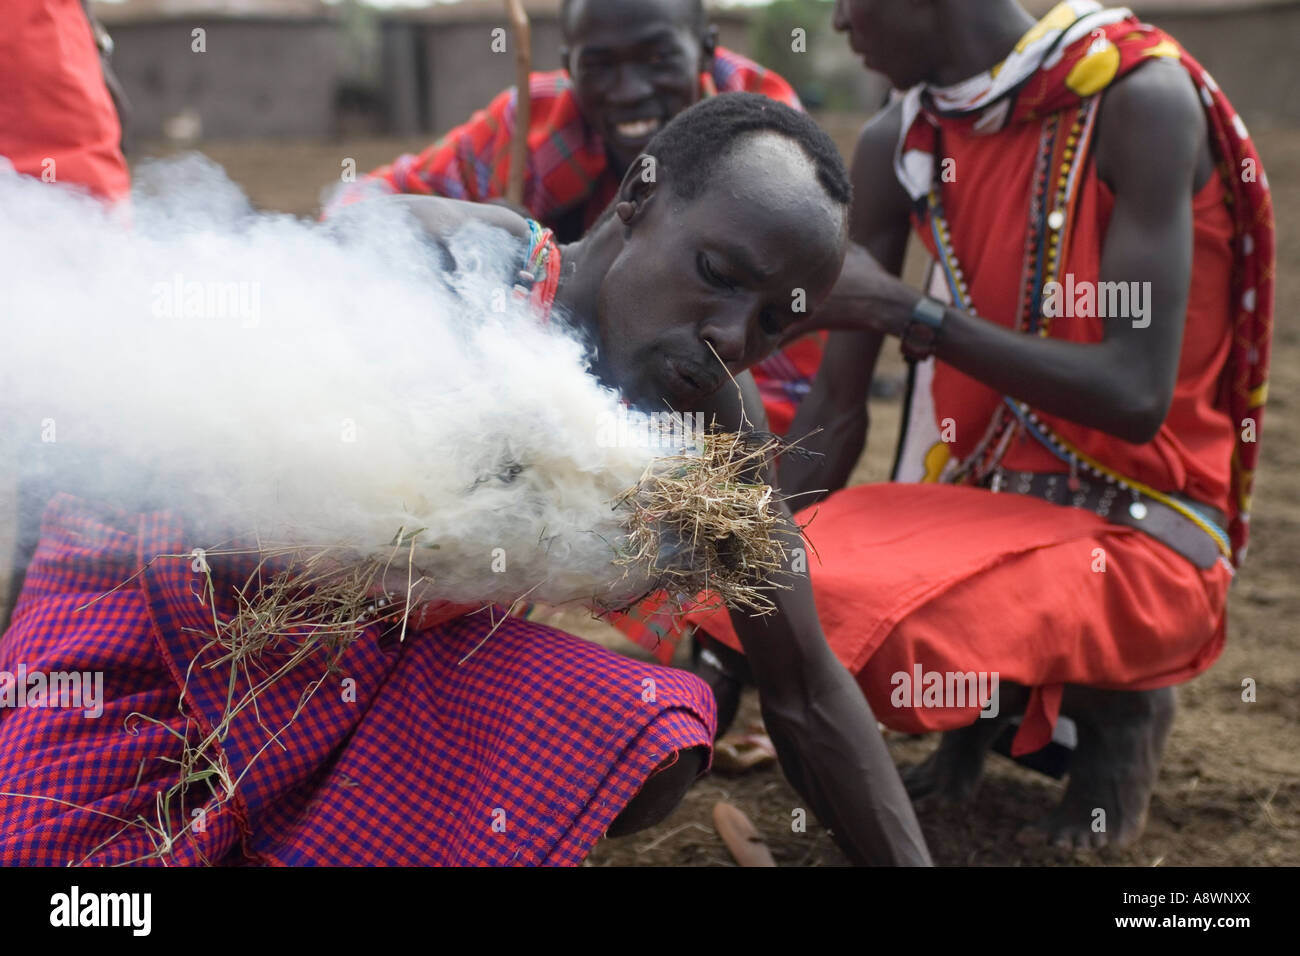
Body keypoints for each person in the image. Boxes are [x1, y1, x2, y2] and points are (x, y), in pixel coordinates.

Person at [0, 94, 931, 866]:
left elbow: (805, 685)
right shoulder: (449, 264)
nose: (735, 335)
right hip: (170, 617)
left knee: (644, 730)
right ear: (640, 196)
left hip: (361, 680)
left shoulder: (712, 425)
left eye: (775, 325)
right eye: (720, 275)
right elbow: (148, 421)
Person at [690, 0, 1274, 849]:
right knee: (751, 581)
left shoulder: (1136, 98)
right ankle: (977, 723)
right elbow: (838, 408)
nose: (844, 23)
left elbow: (1135, 395)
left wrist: (911, 314)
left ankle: (1121, 709)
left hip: (1139, 523)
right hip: (974, 505)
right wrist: (742, 570)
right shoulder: (901, 140)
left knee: (880, 622)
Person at [327, 0, 822, 436]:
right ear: (569, 66)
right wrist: (484, 236)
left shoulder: (767, 148)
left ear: (705, 47)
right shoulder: (529, 124)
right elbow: (367, 203)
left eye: (658, 58)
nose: (629, 91)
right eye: (600, 65)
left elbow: (777, 347)